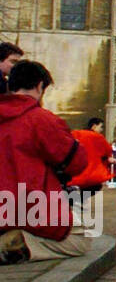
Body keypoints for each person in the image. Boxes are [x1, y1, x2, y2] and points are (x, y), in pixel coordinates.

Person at [0, 61, 90, 265]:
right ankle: (18, 244)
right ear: (40, 86)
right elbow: (76, 162)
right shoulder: (39, 118)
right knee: (79, 239)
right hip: (27, 203)